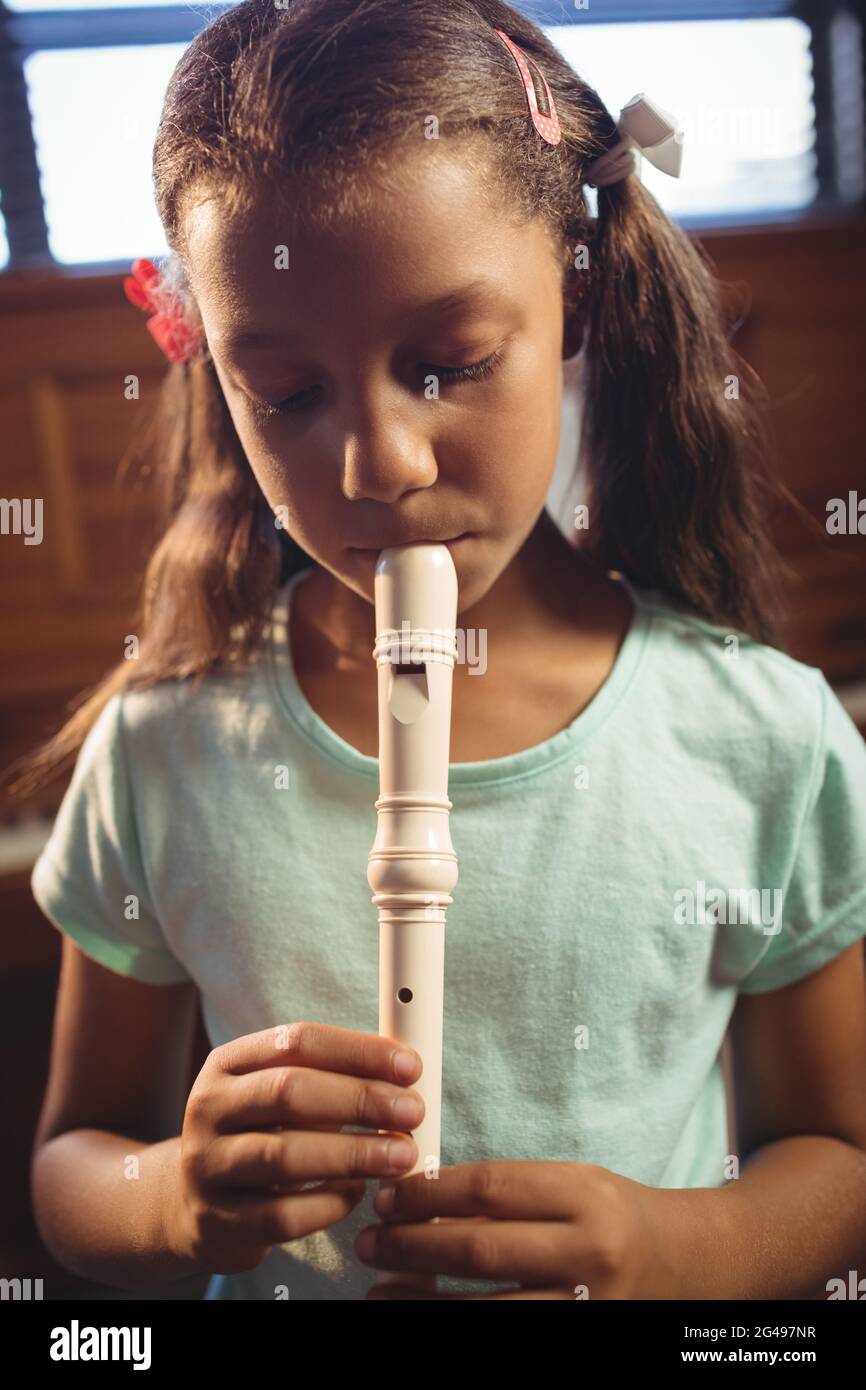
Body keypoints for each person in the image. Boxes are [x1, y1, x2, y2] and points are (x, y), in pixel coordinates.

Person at [20, 0, 866, 1301]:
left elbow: (835, 1153)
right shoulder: (163, 745)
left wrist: (668, 1251)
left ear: (572, 294)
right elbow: (73, 1169)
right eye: (286, 393)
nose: (376, 464)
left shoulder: (764, 739)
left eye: (447, 362)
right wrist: (172, 1194)